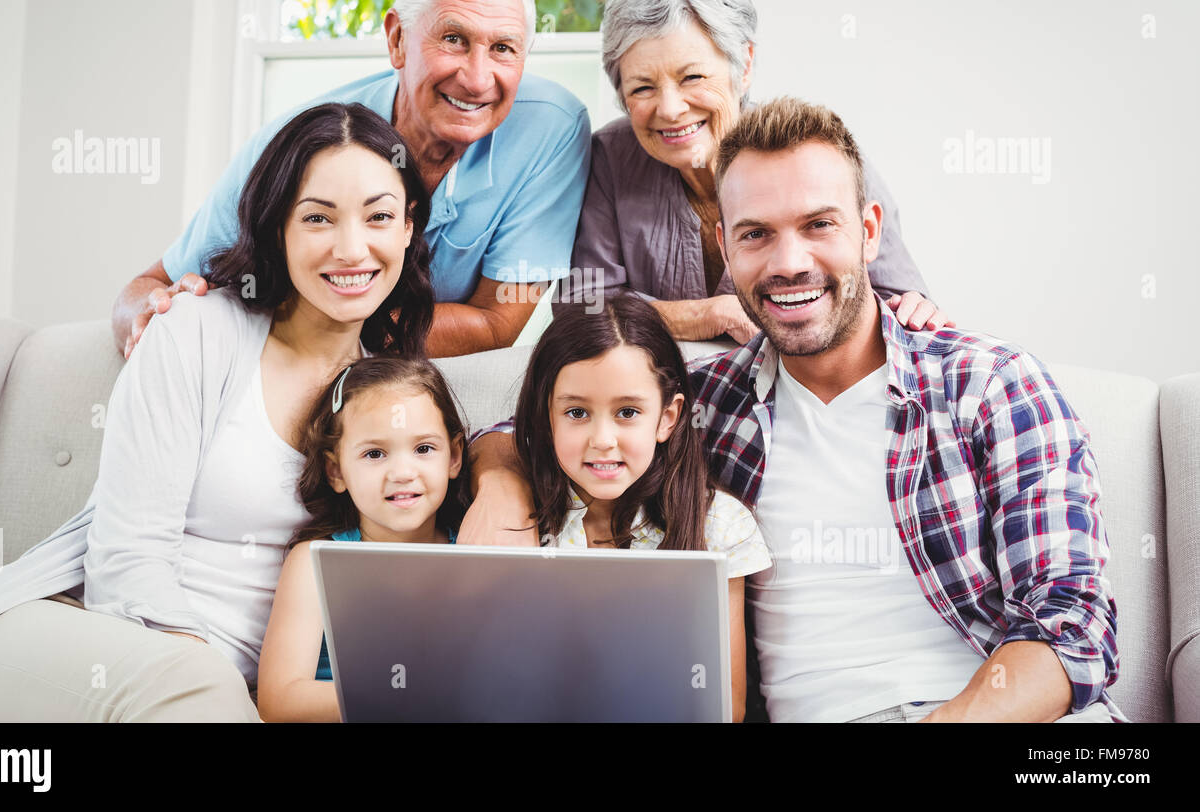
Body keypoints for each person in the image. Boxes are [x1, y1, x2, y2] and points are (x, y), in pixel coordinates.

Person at [467, 96, 1121, 722]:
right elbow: (534, 429)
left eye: (818, 225)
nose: (789, 263)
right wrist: (498, 482)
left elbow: (1073, 625)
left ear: (868, 232)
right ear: (726, 247)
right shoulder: (705, 406)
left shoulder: (990, 384)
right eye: (756, 234)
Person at [0, 103, 434, 722]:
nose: (351, 248)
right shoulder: (196, 331)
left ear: (408, 227)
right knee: (193, 692)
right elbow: (127, 558)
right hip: (90, 642)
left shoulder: (392, 393)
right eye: (318, 218)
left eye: (379, 216)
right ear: (277, 229)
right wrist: (211, 686)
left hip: (230, 696)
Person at [113, 0, 590, 360]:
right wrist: (151, 318)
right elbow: (147, 288)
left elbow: (496, 324)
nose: (478, 78)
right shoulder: (292, 143)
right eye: (453, 39)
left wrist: (321, 325)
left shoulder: (552, 129)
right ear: (397, 39)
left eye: (504, 48)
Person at [559, 0, 947, 340]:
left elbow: (901, 306)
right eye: (642, 87)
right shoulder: (610, 158)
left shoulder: (820, 153)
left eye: (692, 77)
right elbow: (581, 308)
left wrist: (913, 311)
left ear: (743, 66)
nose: (671, 109)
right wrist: (709, 314)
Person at [513, 297, 770, 722]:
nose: (602, 439)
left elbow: (725, 707)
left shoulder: (717, 525)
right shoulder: (517, 516)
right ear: (547, 417)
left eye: (627, 412)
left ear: (667, 418)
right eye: (577, 412)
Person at [256, 357, 469, 723]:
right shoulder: (314, 561)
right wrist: (405, 696)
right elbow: (279, 700)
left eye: (423, 449)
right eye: (375, 454)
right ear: (336, 471)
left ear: (454, 457)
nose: (402, 473)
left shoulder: (476, 551)